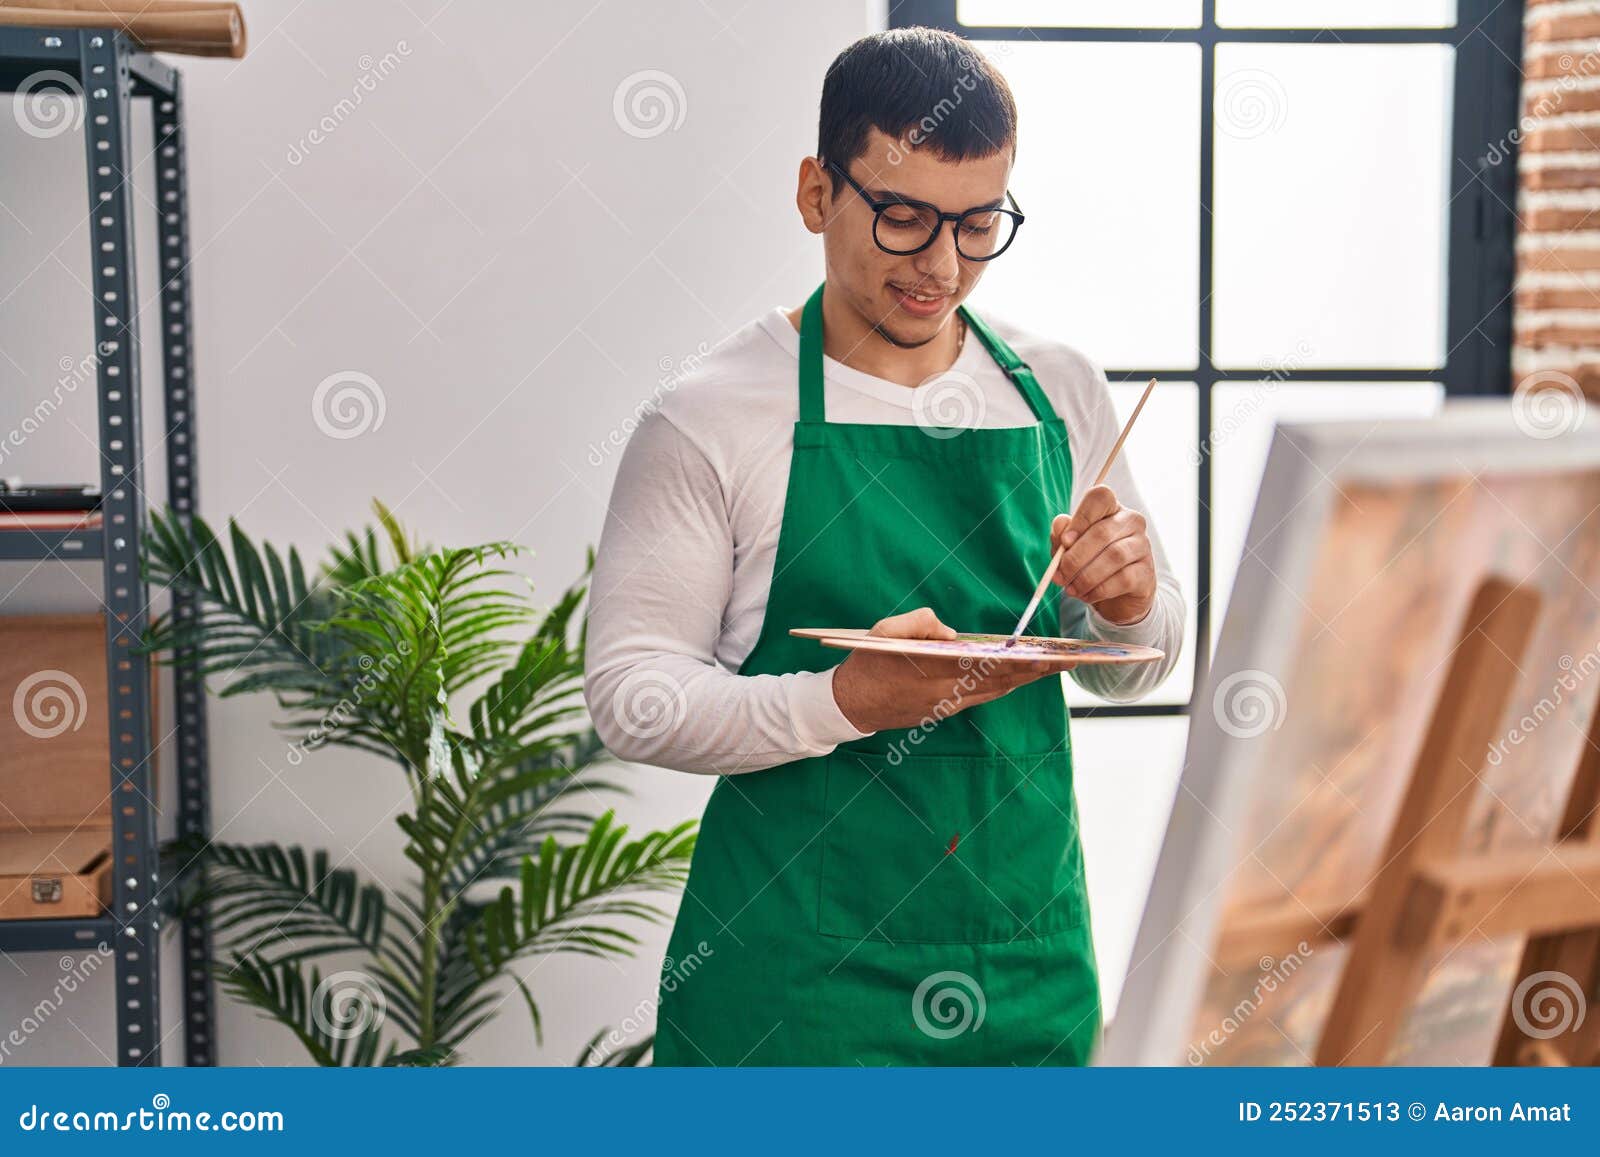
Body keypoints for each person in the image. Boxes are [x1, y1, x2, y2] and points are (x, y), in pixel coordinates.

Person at [583, 25, 1185, 1066]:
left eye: (979, 224)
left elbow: (1144, 663)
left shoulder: (1060, 392)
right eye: (904, 218)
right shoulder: (711, 417)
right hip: (791, 992)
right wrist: (843, 701)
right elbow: (630, 697)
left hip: (1026, 968)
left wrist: (1129, 605)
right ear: (818, 192)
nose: (942, 267)